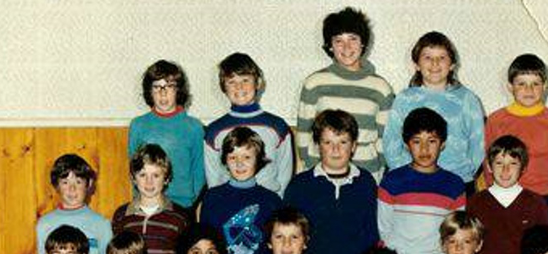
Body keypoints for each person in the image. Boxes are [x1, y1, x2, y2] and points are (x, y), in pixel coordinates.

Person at [283, 110, 379, 254]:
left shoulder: (365, 183)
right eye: (328, 142)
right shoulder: (300, 185)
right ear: (318, 146)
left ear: (353, 146)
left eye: (343, 142)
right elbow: (288, 236)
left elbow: (371, 234)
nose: (335, 149)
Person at [377, 107, 466, 254]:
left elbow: (455, 234)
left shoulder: (454, 185)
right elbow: (384, 228)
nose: (424, 149)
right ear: (407, 145)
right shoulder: (392, 181)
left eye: (432, 141)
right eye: (417, 142)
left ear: (442, 144)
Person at [295, 6, 395, 176]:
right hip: (321, 173)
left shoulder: (381, 88)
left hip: (367, 174)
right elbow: (304, 132)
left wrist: (380, 168)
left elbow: (385, 139)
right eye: (338, 40)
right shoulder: (314, 83)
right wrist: (311, 167)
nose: (346, 46)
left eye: (353, 39)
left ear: (363, 43)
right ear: (330, 45)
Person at [381, 31, 485, 185]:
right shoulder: (405, 99)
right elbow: (391, 143)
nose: (435, 63)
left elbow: (478, 144)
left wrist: (464, 173)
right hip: (412, 181)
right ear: (416, 64)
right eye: (428, 57)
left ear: (452, 65)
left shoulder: (467, 99)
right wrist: (406, 173)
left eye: (442, 58)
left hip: (457, 181)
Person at [199, 127, 283, 254]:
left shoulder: (272, 201)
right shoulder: (212, 198)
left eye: (246, 157)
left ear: (258, 159)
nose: (239, 163)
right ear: (225, 160)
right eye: (233, 157)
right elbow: (205, 245)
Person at [483, 54, 548, 213]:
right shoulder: (496, 120)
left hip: (543, 198)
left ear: (545, 86)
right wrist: (493, 194)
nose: (529, 90)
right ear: (510, 86)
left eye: (535, 84)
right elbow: (488, 161)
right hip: (504, 196)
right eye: (521, 84)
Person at [204, 53, 293, 196]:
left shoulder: (277, 126)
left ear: (257, 83)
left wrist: (278, 200)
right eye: (231, 81)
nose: (239, 86)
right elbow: (214, 177)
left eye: (245, 80)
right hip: (230, 203)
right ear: (223, 87)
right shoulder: (215, 130)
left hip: (269, 204)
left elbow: (285, 172)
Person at [112, 144, 193, 254]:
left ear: (167, 178)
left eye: (156, 175)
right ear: (133, 178)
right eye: (143, 175)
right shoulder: (122, 216)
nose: (149, 182)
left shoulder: (180, 217)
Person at [467, 135, 548, 254]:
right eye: (499, 163)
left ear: (523, 167)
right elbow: (469, 245)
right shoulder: (476, 202)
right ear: (489, 167)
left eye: (513, 163)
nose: (505, 170)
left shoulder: (536, 203)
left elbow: (542, 250)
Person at [127, 60, 205, 209]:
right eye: (157, 87)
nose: (163, 93)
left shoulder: (193, 127)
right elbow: (133, 167)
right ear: (149, 91)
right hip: (147, 202)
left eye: (169, 86)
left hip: (183, 204)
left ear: (178, 90)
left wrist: (191, 200)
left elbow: (198, 170)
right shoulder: (138, 125)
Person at [36, 154, 114, 254]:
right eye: (65, 183)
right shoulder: (45, 224)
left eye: (78, 182)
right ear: (56, 186)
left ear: (88, 184)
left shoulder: (101, 224)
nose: (72, 189)